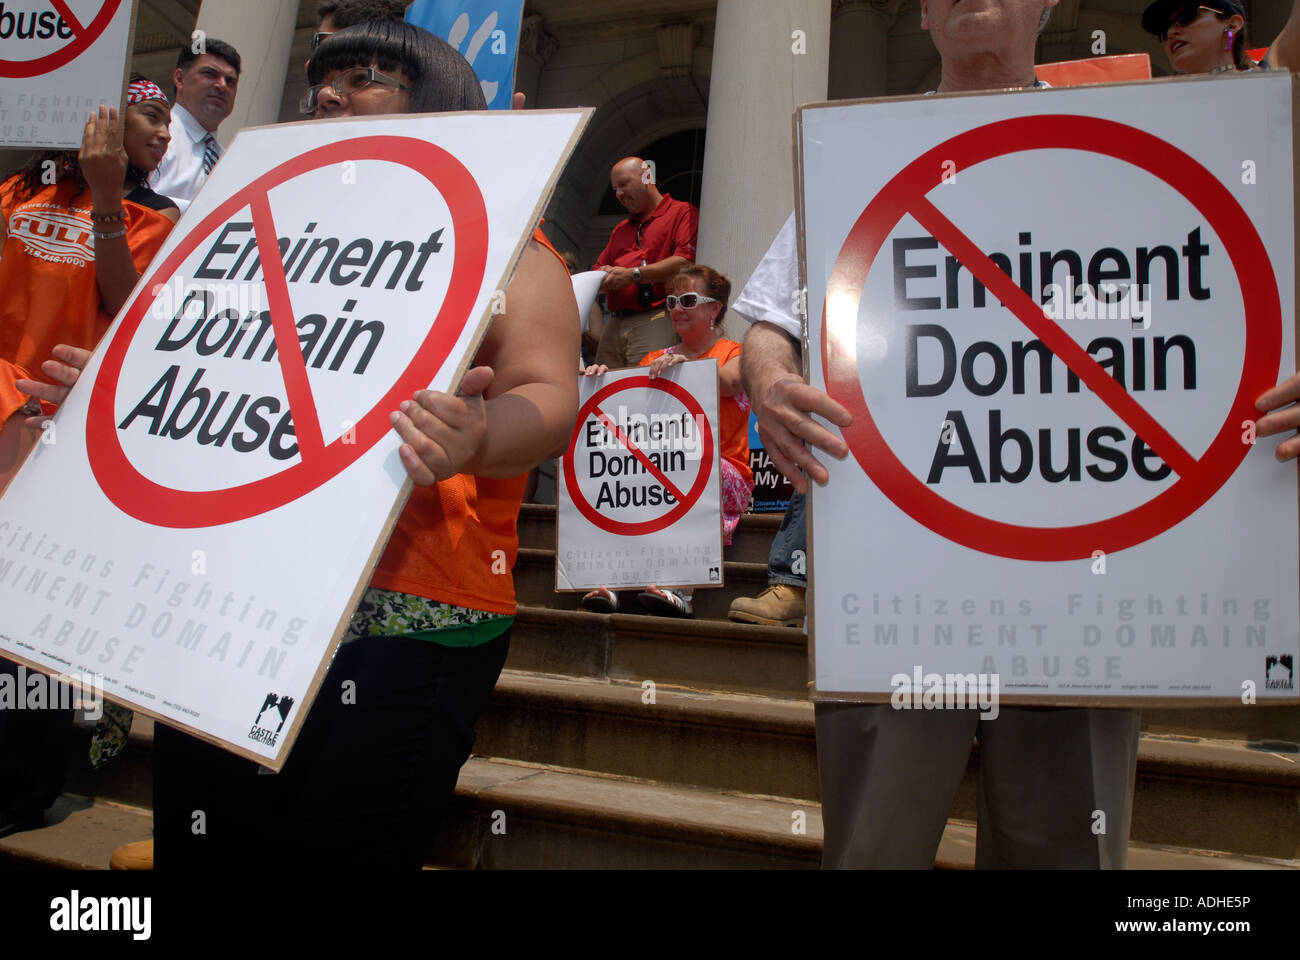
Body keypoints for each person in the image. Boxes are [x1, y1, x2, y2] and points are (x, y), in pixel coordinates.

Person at [67, 19, 575, 870]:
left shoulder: (516, 248)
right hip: (236, 605)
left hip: (409, 614)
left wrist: (479, 434)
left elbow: (547, 394)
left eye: (369, 73)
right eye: (323, 77)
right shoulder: (260, 231)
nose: (331, 91)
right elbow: (186, 358)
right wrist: (109, 403)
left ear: (444, 99)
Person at [743, 0, 1149, 869]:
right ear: (923, 12)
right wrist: (770, 378)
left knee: (1065, 844)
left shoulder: (1127, 143)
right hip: (893, 570)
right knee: (872, 845)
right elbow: (773, 319)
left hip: (1084, 572)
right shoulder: (860, 153)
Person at [0, 76, 178, 841]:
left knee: (31, 632)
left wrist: (107, 198)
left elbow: (131, 305)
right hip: (2, 417)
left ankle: (21, 786)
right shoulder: (15, 191)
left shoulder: (159, 215)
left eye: (170, 122)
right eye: (151, 114)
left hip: (71, 439)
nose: (164, 132)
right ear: (99, 116)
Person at [580, 265, 752, 618]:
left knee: (688, 463)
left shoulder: (735, 352)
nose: (676, 309)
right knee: (624, 467)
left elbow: (733, 383)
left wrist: (685, 368)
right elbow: (623, 403)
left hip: (725, 471)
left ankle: (680, 585)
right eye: (672, 301)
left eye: (688, 300)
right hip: (664, 467)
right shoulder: (653, 360)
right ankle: (611, 579)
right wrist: (600, 380)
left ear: (714, 309)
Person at [592, 157, 699, 369]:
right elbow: (597, 269)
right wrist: (605, 275)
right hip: (614, 323)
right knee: (603, 391)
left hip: (656, 317)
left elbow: (686, 263)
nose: (618, 194)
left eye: (623, 184)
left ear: (648, 176)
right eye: (615, 188)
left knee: (648, 388)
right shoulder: (621, 229)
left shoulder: (681, 212)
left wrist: (634, 275)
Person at [150, 39, 241, 213]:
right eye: (210, 74)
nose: (222, 85)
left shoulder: (228, 160)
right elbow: (134, 201)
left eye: (230, 81)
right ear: (180, 78)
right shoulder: (153, 137)